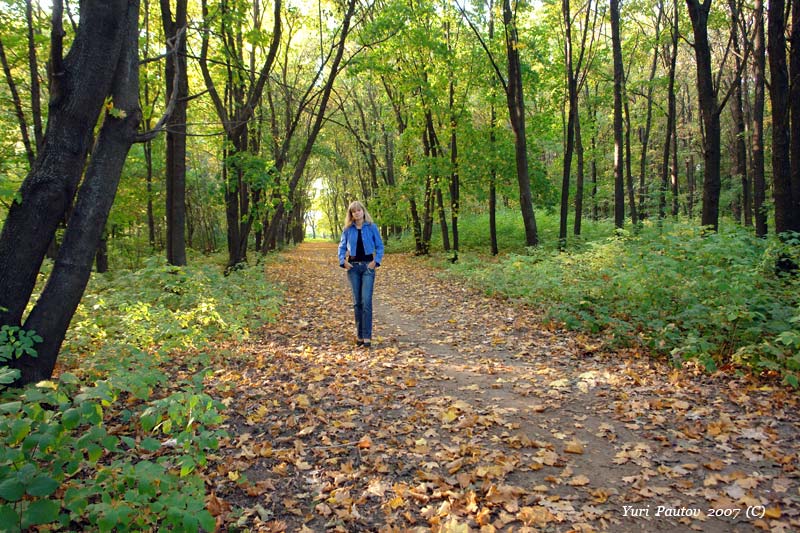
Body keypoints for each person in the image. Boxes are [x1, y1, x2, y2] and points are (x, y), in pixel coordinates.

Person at [338, 201, 384, 348]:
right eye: (354, 211)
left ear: (363, 212)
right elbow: (342, 246)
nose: (357, 213)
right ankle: (359, 335)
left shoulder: (371, 227)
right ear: (351, 214)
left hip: (368, 268)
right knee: (357, 302)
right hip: (353, 268)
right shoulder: (347, 229)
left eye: (359, 210)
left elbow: (380, 246)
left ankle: (367, 336)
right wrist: (342, 261)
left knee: (366, 301)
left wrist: (376, 261)